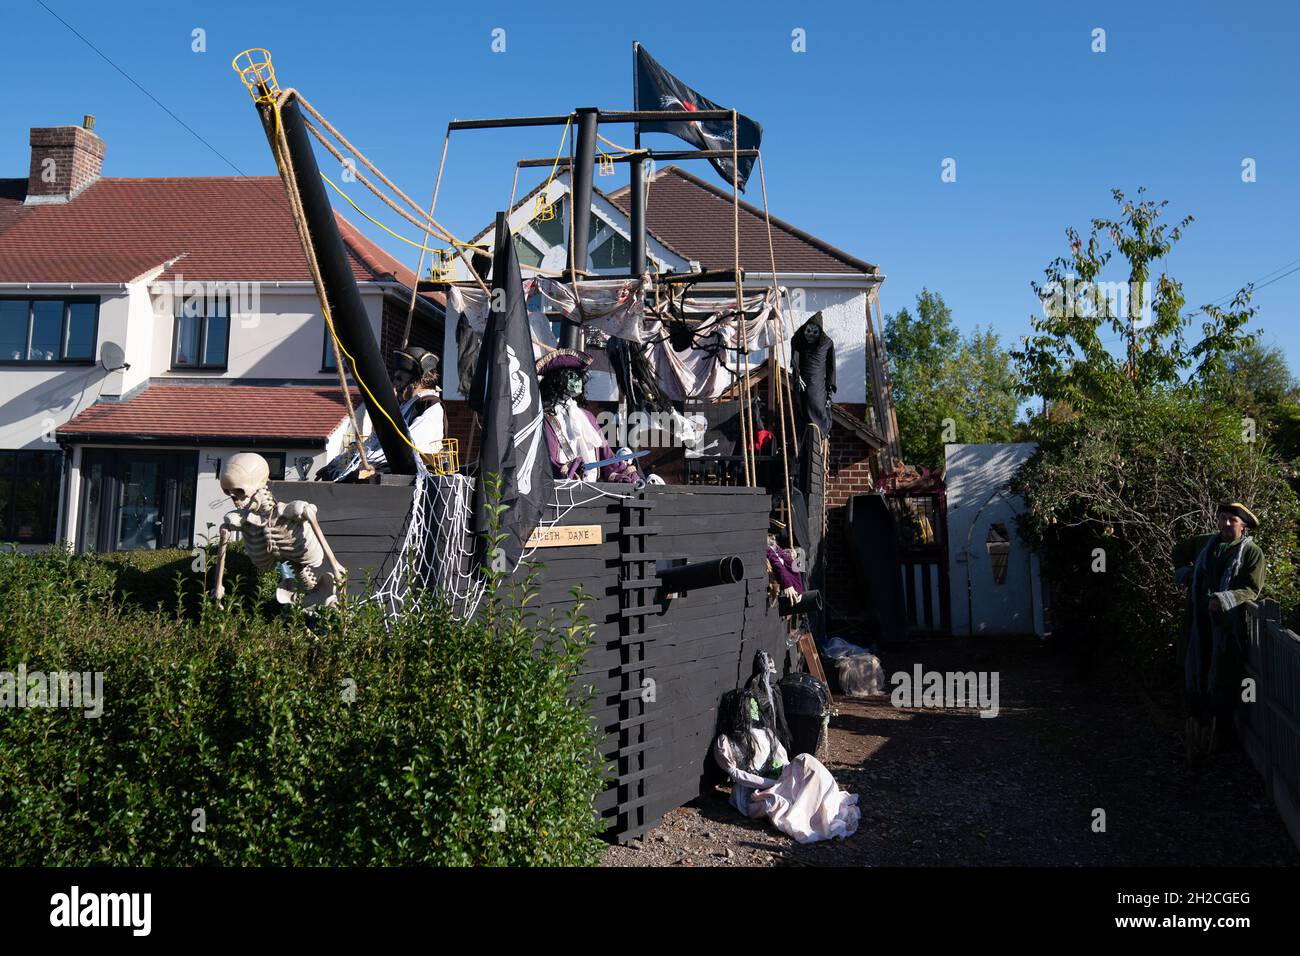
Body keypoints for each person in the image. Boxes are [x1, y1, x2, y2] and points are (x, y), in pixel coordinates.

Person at [1172, 502, 1266, 764]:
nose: (1225, 524)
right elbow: (1178, 552)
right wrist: (1187, 574)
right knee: (1193, 670)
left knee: (1222, 678)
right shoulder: (1205, 543)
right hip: (1196, 622)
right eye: (1222, 519)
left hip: (1224, 627)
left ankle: (1216, 739)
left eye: (1231, 521)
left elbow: (1251, 588)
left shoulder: (1252, 553)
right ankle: (1194, 733)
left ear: (1243, 526)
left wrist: (1224, 599)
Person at [319, 346, 446, 480]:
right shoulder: (406, 406)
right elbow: (375, 442)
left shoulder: (431, 406)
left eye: (399, 379)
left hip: (414, 475)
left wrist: (361, 463)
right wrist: (337, 463)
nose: (395, 385)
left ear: (416, 382)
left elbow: (406, 447)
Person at [536, 349, 640, 483]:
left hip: (590, 491)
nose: (577, 380)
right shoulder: (543, 418)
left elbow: (605, 454)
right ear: (556, 380)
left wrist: (625, 473)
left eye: (578, 375)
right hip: (559, 491)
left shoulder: (587, 416)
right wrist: (569, 470)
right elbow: (546, 459)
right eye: (570, 375)